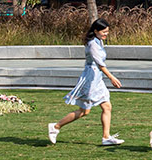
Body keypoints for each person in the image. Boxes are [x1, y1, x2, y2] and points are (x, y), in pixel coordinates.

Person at [49, 18, 123, 147]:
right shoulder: (92, 44)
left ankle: (106, 137)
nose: (106, 34)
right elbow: (99, 64)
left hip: (97, 78)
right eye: (104, 32)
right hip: (91, 79)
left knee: (107, 106)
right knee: (84, 111)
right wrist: (111, 77)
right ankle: (56, 126)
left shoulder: (98, 41)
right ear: (96, 31)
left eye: (107, 32)